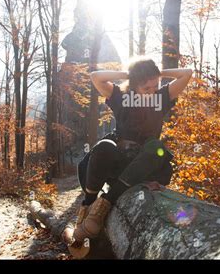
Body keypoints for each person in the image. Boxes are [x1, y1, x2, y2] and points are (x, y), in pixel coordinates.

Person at [64, 58, 193, 258]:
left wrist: (156, 72)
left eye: (155, 85)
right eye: (146, 87)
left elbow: (187, 73)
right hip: (120, 164)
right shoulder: (121, 97)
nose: (152, 90)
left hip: (145, 165)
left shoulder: (162, 97)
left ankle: (104, 204)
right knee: (104, 146)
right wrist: (131, 74)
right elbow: (95, 77)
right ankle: (87, 206)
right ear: (133, 86)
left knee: (156, 147)